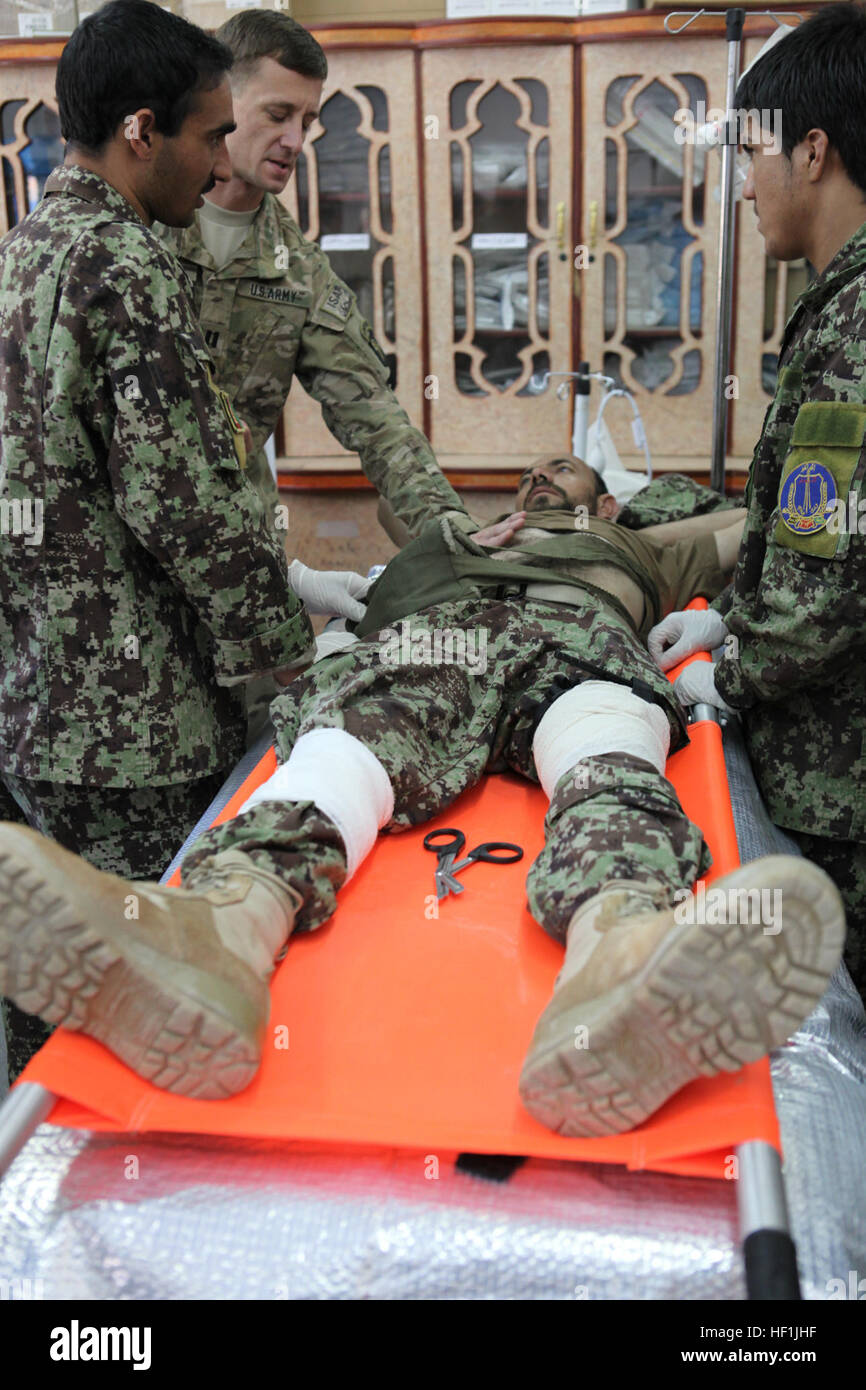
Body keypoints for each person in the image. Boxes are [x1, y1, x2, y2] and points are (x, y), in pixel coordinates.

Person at [0, 457, 844, 1136]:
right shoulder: (449, 533)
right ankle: (221, 933)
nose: (539, 480)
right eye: (530, 476)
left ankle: (616, 956)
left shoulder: (644, 544)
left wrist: (718, 614)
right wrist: (333, 622)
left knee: (609, 744)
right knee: (346, 749)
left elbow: (765, 518)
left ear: (608, 503)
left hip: (578, 634)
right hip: (436, 640)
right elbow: (369, 582)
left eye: (564, 471)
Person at [0, 0, 320, 1077]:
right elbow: (193, 506)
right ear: (143, 132)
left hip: (33, 707)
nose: (223, 159)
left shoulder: (25, 256)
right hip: (137, 726)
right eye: (211, 134)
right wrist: (287, 656)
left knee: (48, 1012)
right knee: (156, 995)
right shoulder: (121, 268)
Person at [648, 2, 866, 1005]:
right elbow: (805, 539)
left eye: (751, 156)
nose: (742, 187)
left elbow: (819, 593)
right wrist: (726, 613)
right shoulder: (836, 313)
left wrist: (723, 669)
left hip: (839, 790)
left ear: (811, 150)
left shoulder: (851, 340)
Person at [153, 9, 467, 536]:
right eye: (278, 115)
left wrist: (452, 528)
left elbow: (374, 416)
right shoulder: (135, 228)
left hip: (241, 557)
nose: (296, 141)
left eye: (308, 122)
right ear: (222, 99)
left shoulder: (296, 270)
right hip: (116, 568)